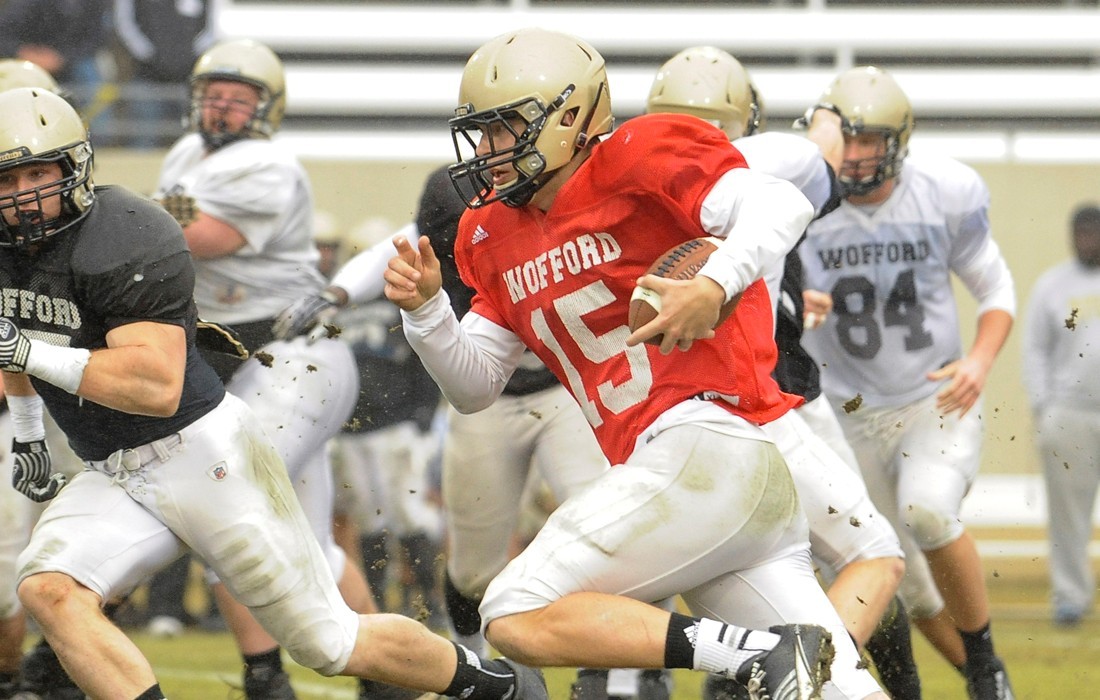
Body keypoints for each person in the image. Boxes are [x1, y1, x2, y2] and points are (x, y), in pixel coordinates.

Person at [385, 26, 889, 700]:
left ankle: (754, 655)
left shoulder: (635, 155)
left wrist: (716, 284)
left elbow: (780, 202)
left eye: (504, 128)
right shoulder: (490, 232)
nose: (486, 151)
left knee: (512, 610)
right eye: (480, 132)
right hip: (707, 483)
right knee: (834, 690)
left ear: (568, 119)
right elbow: (476, 385)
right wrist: (425, 313)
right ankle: (769, 656)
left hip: (704, 447)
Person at [0, 86, 549, 700]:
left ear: (73, 166)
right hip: (113, 468)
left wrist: (24, 353)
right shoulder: (8, 254)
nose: (23, 195)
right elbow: (25, 325)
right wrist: (26, 427)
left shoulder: (125, 232)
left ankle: (493, 685)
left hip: (200, 455)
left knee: (331, 645)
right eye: (6, 180)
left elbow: (152, 385)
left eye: (37, 173)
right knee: (47, 587)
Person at [276, 166, 671, 700]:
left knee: (609, 539)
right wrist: (340, 292)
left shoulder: (575, 191)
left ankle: (619, 679)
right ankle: (478, 673)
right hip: (489, 392)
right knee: (473, 571)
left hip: (571, 385)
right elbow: (408, 243)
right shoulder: (458, 198)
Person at [149, 38, 435, 700]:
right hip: (244, 359)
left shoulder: (269, 165)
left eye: (237, 97)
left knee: (225, 500)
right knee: (305, 539)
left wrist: (153, 212)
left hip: (294, 350)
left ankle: (265, 677)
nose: (221, 108)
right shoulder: (186, 154)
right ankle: (388, 675)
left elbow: (196, 236)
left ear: (265, 108)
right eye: (212, 95)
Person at [645, 46, 920, 699]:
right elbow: (810, 160)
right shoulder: (756, 161)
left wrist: (794, 302)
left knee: (744, 572)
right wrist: (827, 119)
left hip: (668, 419)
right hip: (760, 408)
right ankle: (808, 675)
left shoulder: (632, 180)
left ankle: (756, 672)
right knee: (865, 553)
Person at [795, 66, 1017, 700]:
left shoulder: (943, 193)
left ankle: (985, 660)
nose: (855, 155)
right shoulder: (803, 201)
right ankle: (979, 684)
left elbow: (995, 288)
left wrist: (978, 360)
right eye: (847, 138)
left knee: (927, 510)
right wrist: (791, 301)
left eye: (869, 140)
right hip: (846, 411)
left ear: (898, 142)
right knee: (897, 574)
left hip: (930, 398)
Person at [1022, 203, 1100, 629]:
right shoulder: (1053, 286)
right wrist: (1044, 408)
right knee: (1068, 514)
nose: (1087, 239)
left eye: (1094, 232)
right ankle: (1071, 597)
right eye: (1080, 232)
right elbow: (1034, 349)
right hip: (1069, 415)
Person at [0, 0, 114, 135]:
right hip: (29, 61)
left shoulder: (94, 4)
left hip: (72, 60)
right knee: (13, 81)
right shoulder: (25, 4)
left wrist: (62, 58)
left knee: (91, 78)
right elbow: (4, 34)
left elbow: (97, 39)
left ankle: (98, 138)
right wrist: (25, 52)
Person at [113, 0, 217, 148]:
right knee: (144, 138)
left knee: (190, 142)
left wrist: (187, 57)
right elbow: (124, 24)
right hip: (147, 75)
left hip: (188, 75)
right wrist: (150, 56)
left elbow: (211, 27)